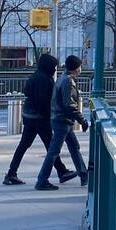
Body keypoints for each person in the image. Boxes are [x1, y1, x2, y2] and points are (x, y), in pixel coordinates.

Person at [3, 53, 74, 186]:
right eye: (54, 66)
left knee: (26, 145)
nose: (54, 69)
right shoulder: (44, 79)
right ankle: (60, 172)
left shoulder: (36, 76)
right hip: (39, 118)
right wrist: (51, 115)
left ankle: (12, 173)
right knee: (51, 146)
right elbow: (43, 101)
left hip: (30, 116)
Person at [35, 55, 88, 191]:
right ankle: (42, 179)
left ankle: (84, 174)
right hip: (62, 120)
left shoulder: (62, 78)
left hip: (61, 120)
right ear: (76, 68)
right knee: (54, 151)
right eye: (80, 66)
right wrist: (82, 120)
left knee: (73, 146)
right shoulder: (68, 81)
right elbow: (69, 104)